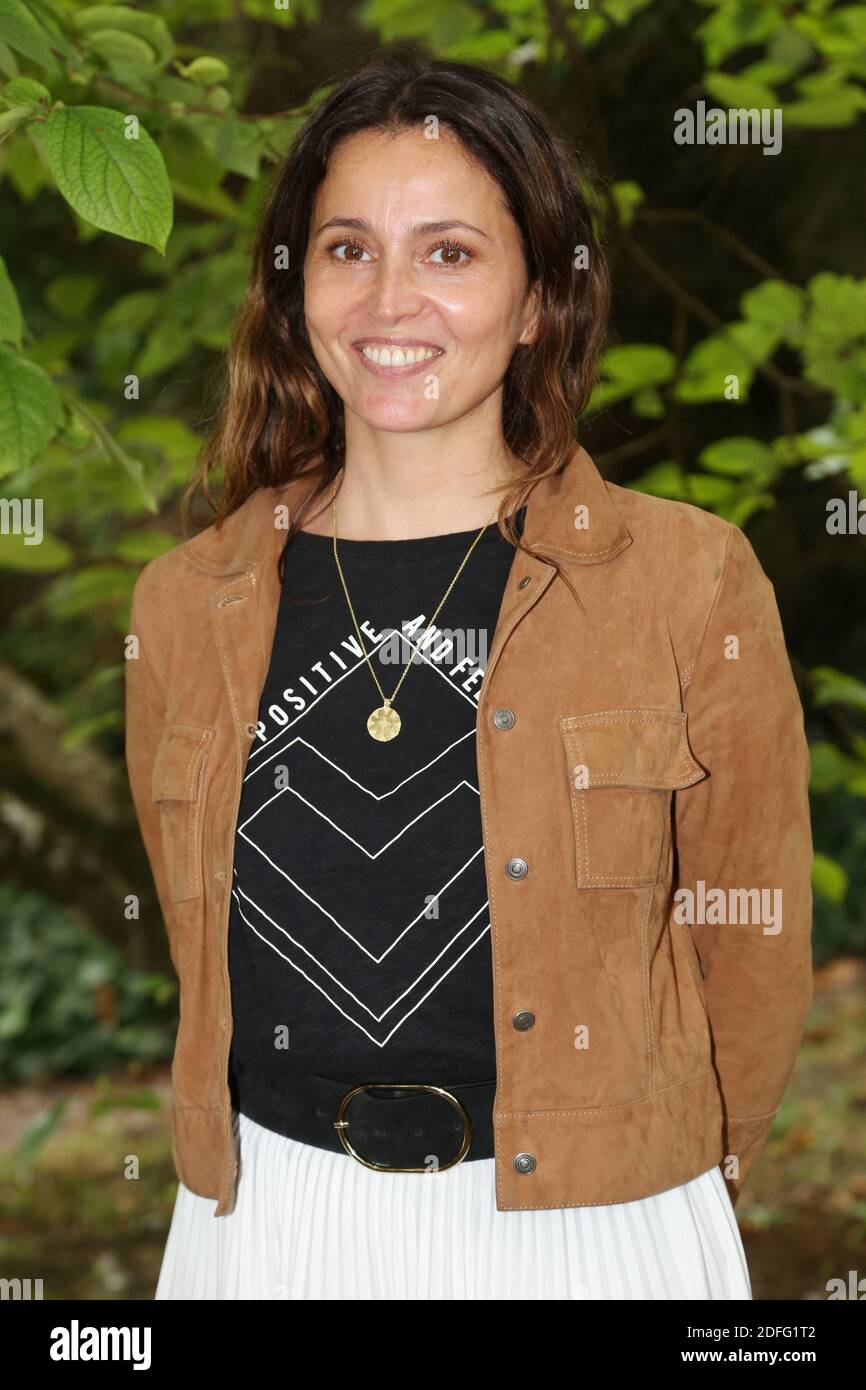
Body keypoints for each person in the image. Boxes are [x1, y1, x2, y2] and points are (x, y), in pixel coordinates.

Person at [125, 50, 813, 1301]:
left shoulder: (685, 579)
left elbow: (750, 947)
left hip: (590, 1227)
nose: (391, 299)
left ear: (539, 295)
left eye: (449, 252)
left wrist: (680, 1192)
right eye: (347, 249)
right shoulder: (185, 605)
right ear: (294, 293)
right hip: (263, 1224)